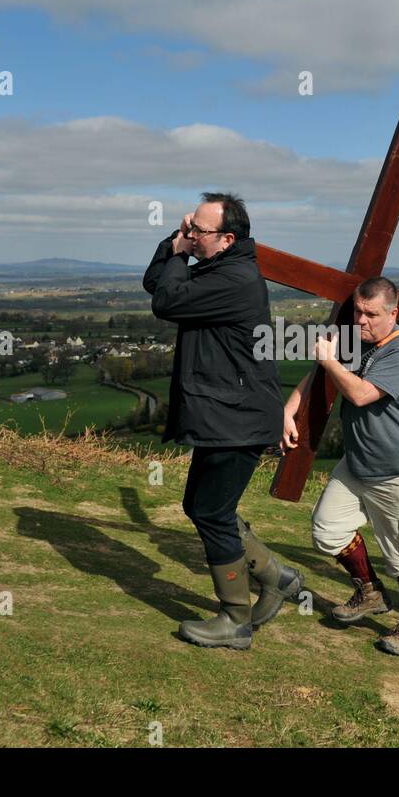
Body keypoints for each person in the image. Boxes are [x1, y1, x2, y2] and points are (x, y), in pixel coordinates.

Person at [142, 192, 303, 650]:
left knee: (211, 511)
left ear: (228, 238)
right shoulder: (218, 269)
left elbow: (168, 301)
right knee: (203, 507)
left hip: (240, 419)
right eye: (191, 226)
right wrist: (175, 244)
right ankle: (277, 577)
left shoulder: (235, 279)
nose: (193, 235)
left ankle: (235, 618)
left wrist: (180, 252)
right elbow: (156, 283)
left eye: (201, 230)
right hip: (227, 416)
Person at [282, 277, 399, 656]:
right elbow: (318, 376)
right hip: (359, 462)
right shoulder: (357, 340)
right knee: (327, 530)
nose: (362, 320)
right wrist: (289, 408)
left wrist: (330, 360)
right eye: (358, 311)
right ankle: (370, 593)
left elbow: (360, 393)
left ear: (393, 313)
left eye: (371, 314)